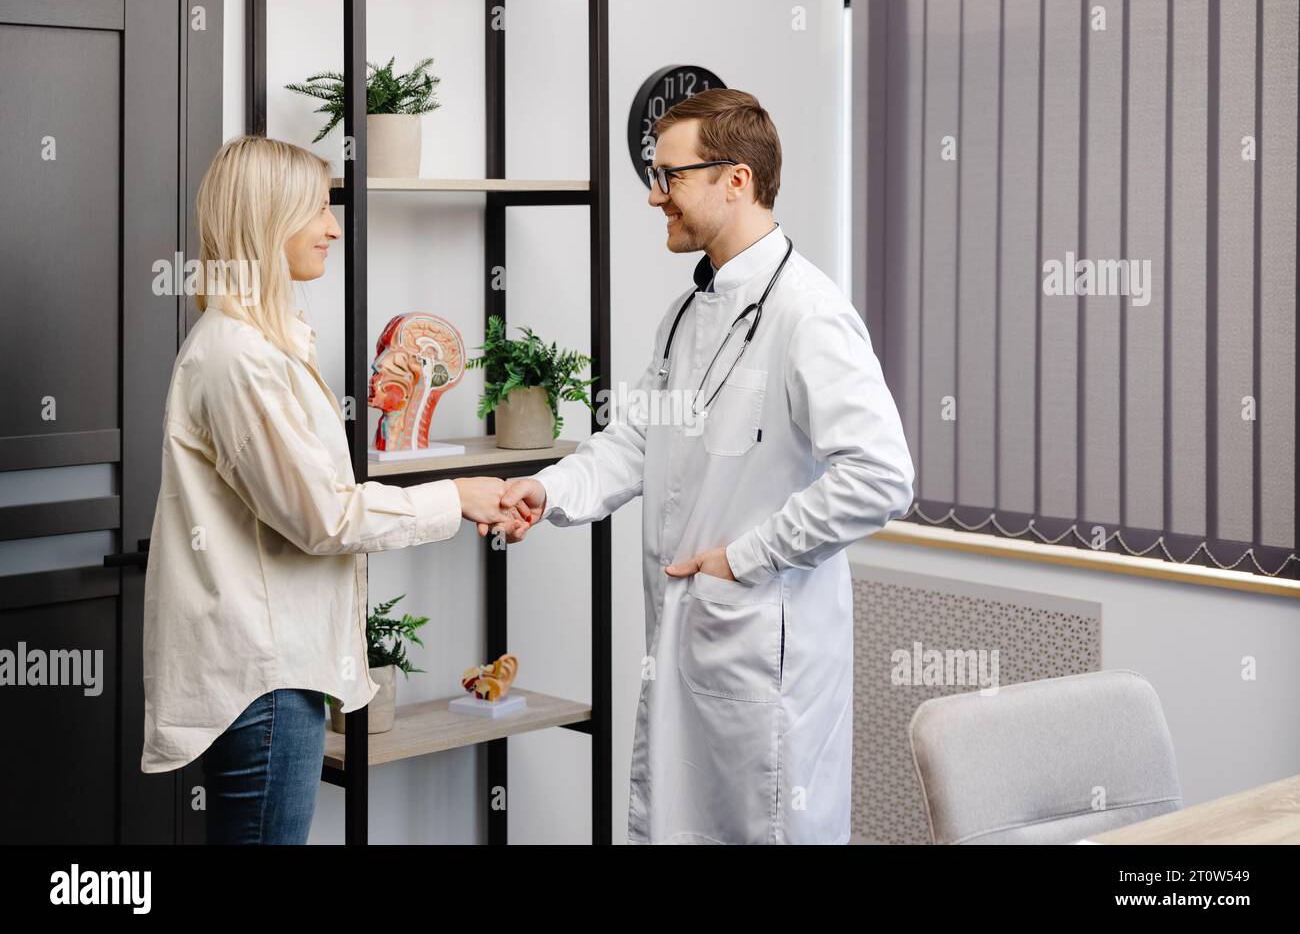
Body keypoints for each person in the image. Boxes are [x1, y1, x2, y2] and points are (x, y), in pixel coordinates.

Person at [499, 89, 915, 844]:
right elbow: (635, 440)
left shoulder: (809, 314)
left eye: (670, 177)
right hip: (693, 641)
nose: (656, 196)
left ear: (737, 181)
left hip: (761, 648)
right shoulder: (690, 313)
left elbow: (881, 475)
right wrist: (548, 488)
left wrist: (745, 558)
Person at [139, 135, 525, 844]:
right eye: (317, 208)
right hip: (265, 681)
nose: (333, 226)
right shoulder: (239, 357)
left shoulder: (265, 342)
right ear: (266, 218)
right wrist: (456, 496)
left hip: (277, 672)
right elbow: (320, 516)